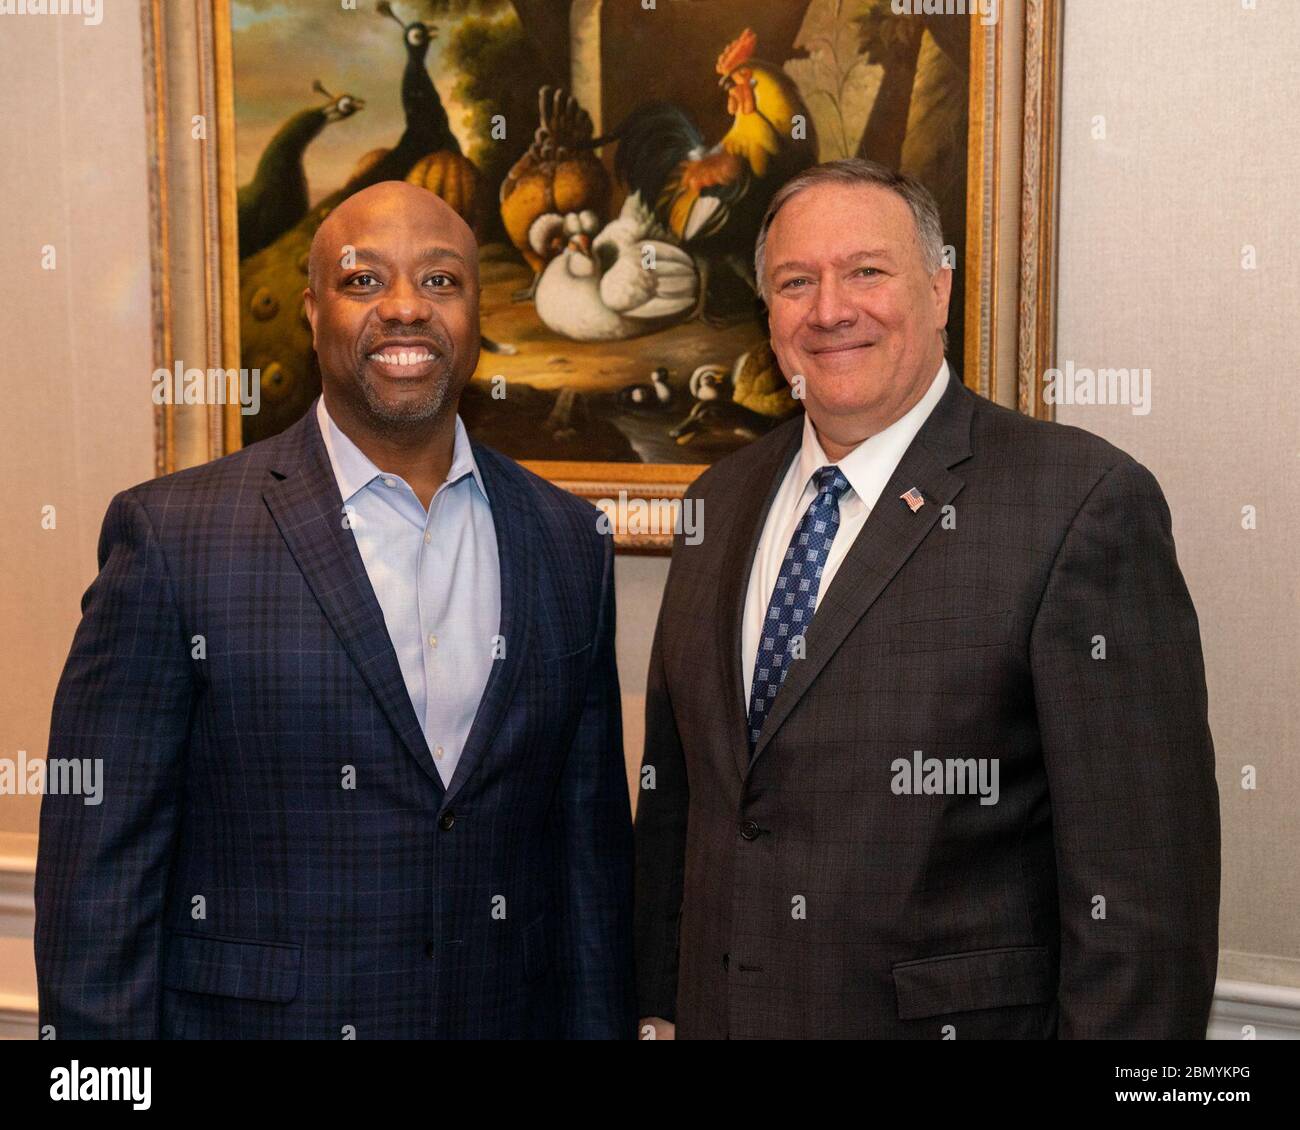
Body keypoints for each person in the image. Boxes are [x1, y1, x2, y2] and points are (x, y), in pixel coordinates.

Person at [635, 159, 1220, 1040]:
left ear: (939, 289)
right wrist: (657, 1010)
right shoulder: (717, 501)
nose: (831, 309)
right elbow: (682, 806)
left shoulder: (1079, 505)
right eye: (798, 282)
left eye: (867, 271)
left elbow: (1143, 905)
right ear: (770, 315)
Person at [36, 181, 635, 1040]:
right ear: (313, 314)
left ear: (477, 311)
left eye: (439, 282)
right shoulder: (173, 538)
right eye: (363, 283)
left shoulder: (569, 541)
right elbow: (97, 882)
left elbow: (590, 868)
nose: (404, 310)